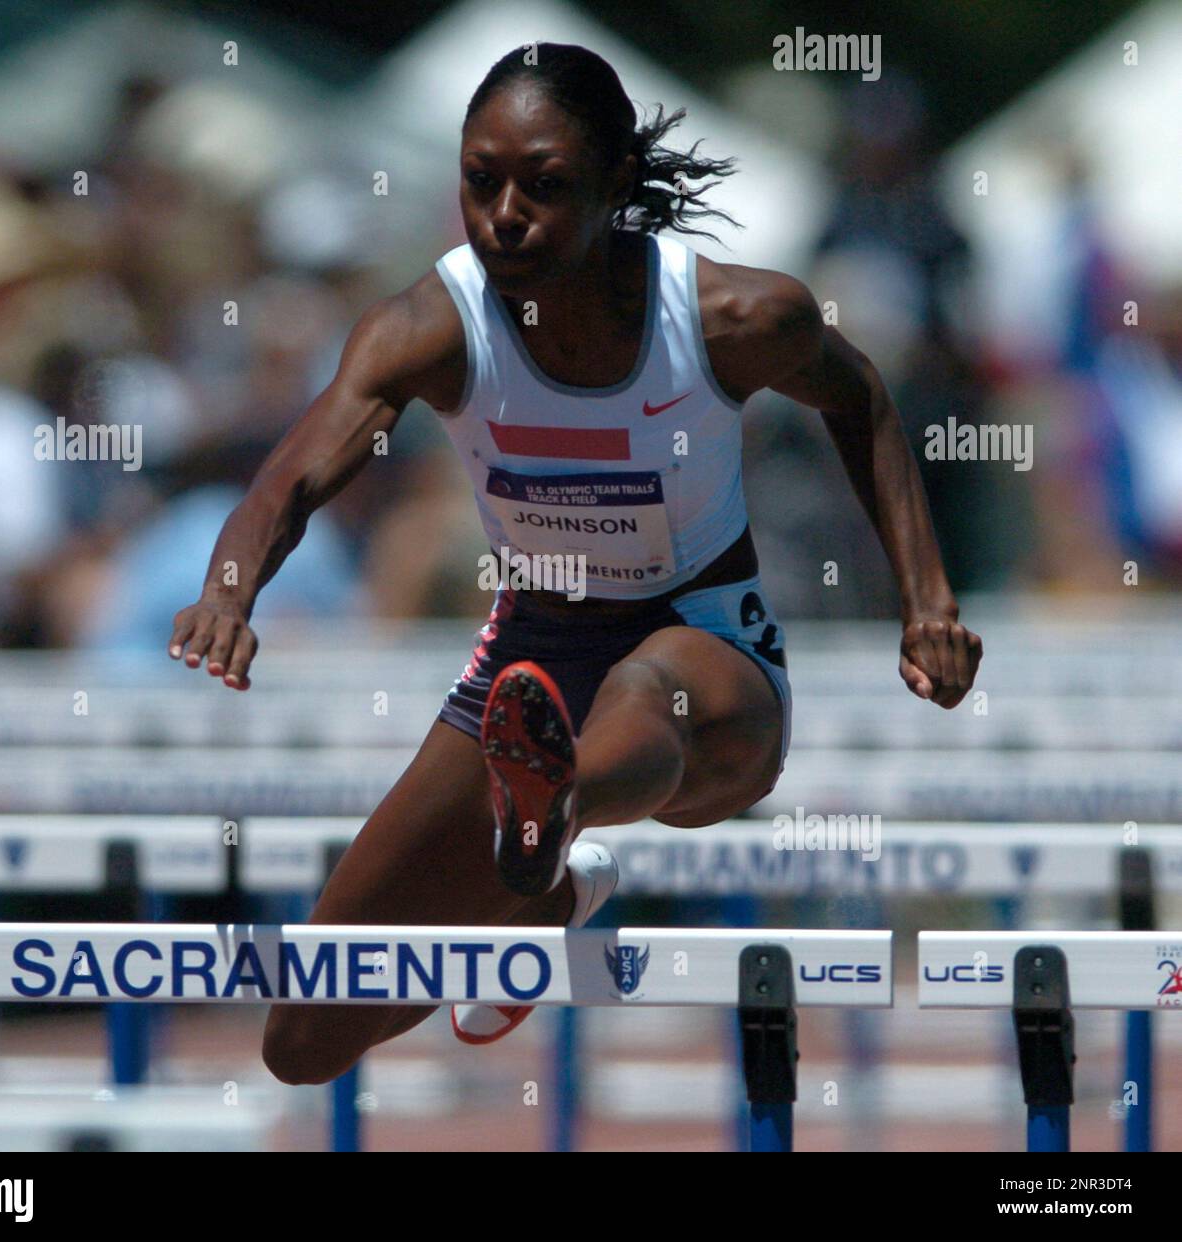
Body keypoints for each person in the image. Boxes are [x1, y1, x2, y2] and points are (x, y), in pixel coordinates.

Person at [167, 44, 982, 1083]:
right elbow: (289, 479)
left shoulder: (731, 317)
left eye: (544, 187)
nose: (504, 213)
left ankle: (552, 808)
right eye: (480, 181)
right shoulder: (428, 326)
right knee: (305, 1038)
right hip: (532, 658)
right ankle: (547, 881)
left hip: (704, 650)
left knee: (649, 688)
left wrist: (926, 604)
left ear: (613, 188)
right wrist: (228, 593)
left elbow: (858, 397)